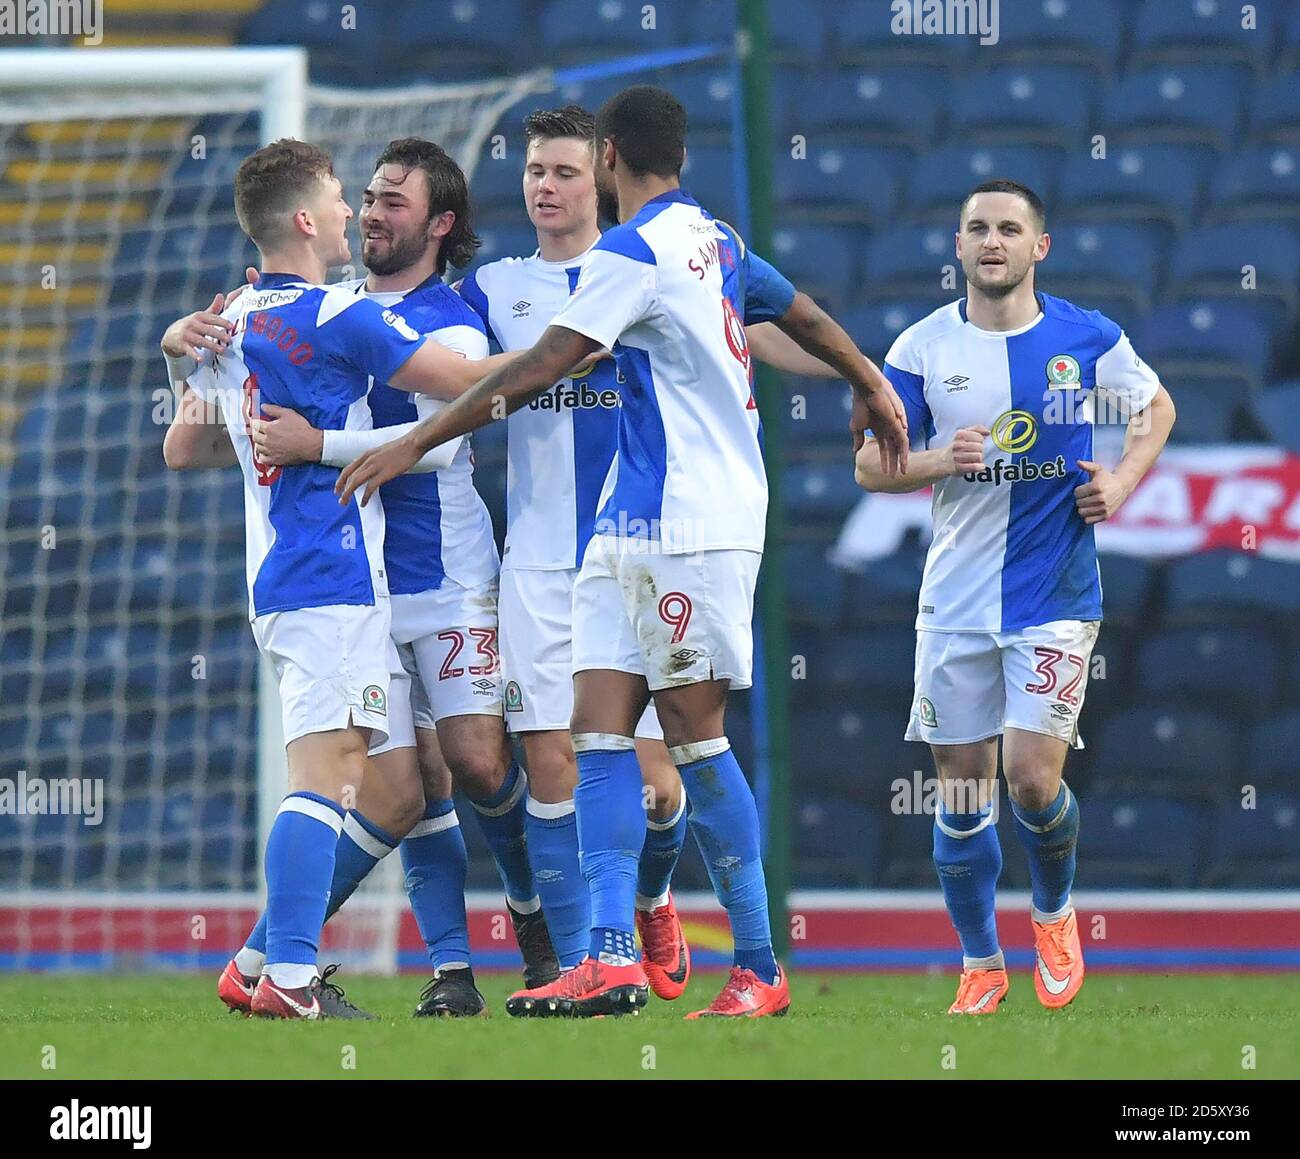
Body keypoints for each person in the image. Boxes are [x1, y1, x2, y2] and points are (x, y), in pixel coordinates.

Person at [335, 86, 908, 1019]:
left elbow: (534, 369)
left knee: (690, 743)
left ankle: (758, 965)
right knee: (593, 736)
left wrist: (408, 440)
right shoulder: (712, 238)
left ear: (607, 161)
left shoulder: (632, 254)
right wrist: (869, 378)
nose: (549, 185)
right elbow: (798, 307)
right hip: (620, 530)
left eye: (569, 165)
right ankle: (604, 954)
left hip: (690, 522)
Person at [161, 138, 530, 1018]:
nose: (349, 214)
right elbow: (466, 380)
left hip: (281, 575)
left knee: (387, 785)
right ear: (302, 220)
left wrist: (178, 352)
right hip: (332, 575)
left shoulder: (232, 316)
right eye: (337, 197)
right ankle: (287, 979)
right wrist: (577, 347)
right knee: (324, 780)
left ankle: (262, 967)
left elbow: (185, 447)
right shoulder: (337, 315)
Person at [854, 179, 1176, 1015]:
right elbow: (867, 464)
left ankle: (1056, 912)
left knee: (1031, 781)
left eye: (1008, 228)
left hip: (1056, 593)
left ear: (1040, 247)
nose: (990, 241)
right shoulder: (922, 348)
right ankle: (980, 961)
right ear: (957, 248)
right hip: (955, 601)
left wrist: (1123, 478)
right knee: (963, 793)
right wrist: (937, 460)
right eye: (975, 229)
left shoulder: (1085, 339)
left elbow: (1156, 405)